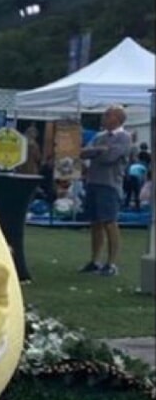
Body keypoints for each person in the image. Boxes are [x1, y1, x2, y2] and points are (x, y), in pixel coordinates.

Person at [77, 105, 133, 275]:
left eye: (108, 115)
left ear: (118, 118)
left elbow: (110, 158)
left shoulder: (124, 137)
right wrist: (100, 150)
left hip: (110, 184)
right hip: (93, 182)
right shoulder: (99, 136)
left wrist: (98, 152)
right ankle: (94, 260)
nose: (104, 117)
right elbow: (82, 153)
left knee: (110, 223)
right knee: (95, 223)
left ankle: (111, 263)